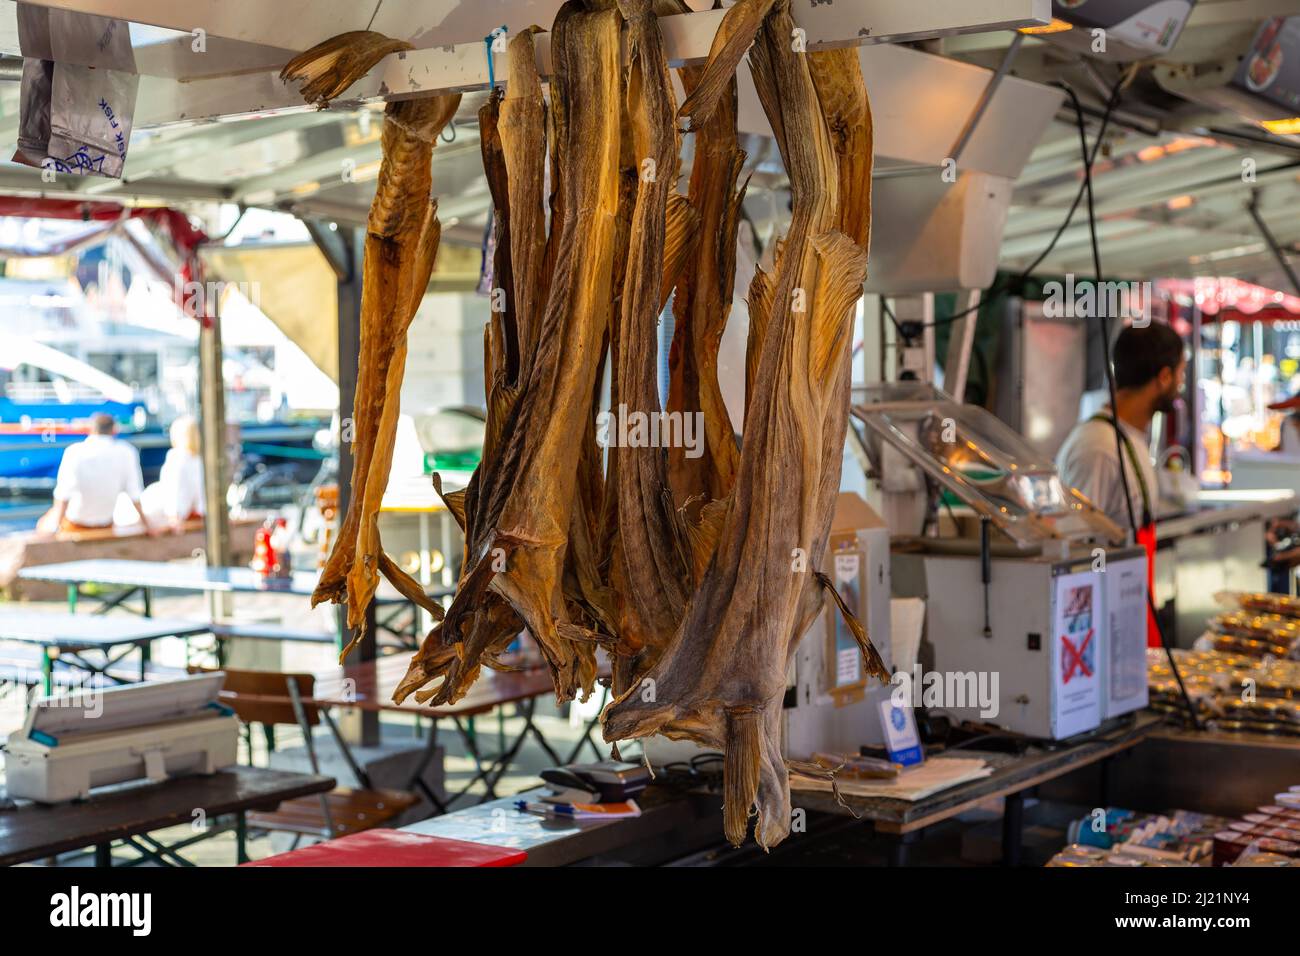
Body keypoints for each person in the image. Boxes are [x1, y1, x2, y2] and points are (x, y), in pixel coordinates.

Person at [1057, 322, 1186, 533]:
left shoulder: (1129, 437)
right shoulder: (1098, 448)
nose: (1181, 383)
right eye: (1181, 373)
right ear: (1164, 377)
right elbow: (1076, 541)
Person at [39, 412, 155, 535]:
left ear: (91, 429)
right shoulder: (127, 451)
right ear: (113, 430)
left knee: (42, 523)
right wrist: (148, 525)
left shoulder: (74, 452)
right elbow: (134, 494)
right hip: (106, 524)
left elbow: (63, 495)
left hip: (75, 525)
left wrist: (54, 527)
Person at [141, 415, 205, 532]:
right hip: (164, 514)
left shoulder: (179, 458)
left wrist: (174, 518)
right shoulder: (193, 459)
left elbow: (175, 491)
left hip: (163, 515)